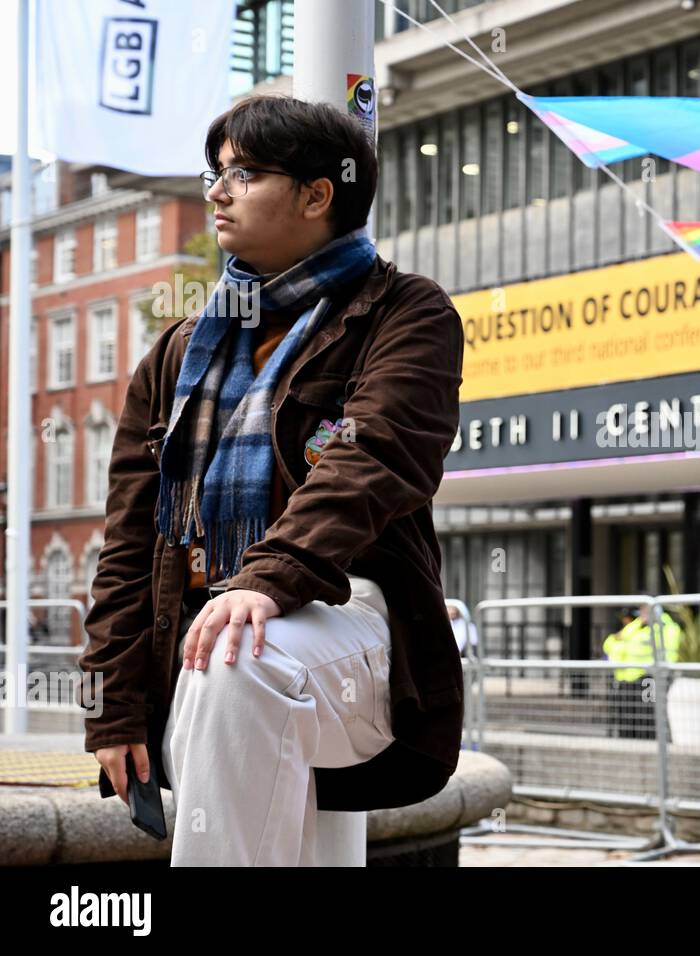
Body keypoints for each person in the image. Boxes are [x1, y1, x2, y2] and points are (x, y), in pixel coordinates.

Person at [77, 94, 466, 866]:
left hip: (349, 619)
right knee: (229, 662)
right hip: (196, 639)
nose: (216, 192)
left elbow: (375, 454)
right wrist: (110, 705)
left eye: (244, 174)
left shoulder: (403, 312)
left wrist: (269, 576)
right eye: (215, 174)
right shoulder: (179, 350)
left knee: (237, 656)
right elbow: (129, 540)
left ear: (318, 193)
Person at [601, 602, 682, 739]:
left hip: (649, 679)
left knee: (647, 716)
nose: (643, 614)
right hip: (626, 679)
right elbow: (609, 643)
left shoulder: (667, 628)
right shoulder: (636, 626)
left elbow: (655, 650)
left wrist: (623, 644)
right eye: (642, 610)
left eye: (646, 610)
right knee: (626, 719)